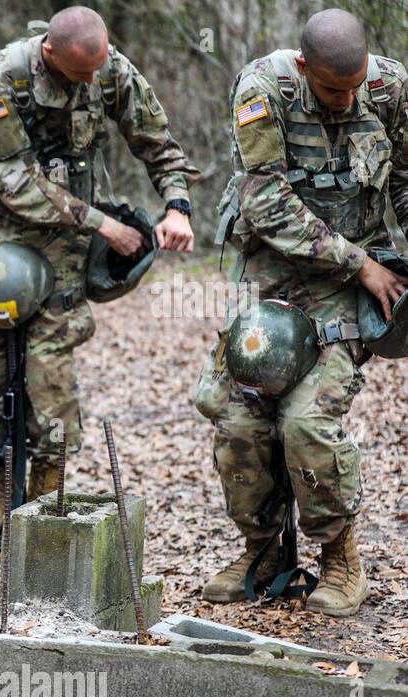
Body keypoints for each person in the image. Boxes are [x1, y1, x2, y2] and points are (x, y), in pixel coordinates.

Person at [0, 6, 199, 544]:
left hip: (67, 239)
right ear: (49, 53)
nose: (93, 82)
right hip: (1, 230)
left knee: (51, 367)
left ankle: (45, 498)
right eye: (80, 73)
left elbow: (157, 142)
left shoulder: (109, 67)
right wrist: (103, 224)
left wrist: (177, 205)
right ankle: (1, 495)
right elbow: (14, 180)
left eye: (98, 70)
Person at [194, 9, 408, 617]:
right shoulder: (264, 89)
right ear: (304, 66)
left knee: (307, 422)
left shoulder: (391, 88)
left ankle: (341, 559)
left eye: (354, 85)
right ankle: (263, 551)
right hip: (274, 279)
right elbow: (264, 201)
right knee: (239, 421)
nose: (345, 100)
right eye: (331, 89)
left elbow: (407, 183)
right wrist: (356, 262)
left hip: (349, 290)